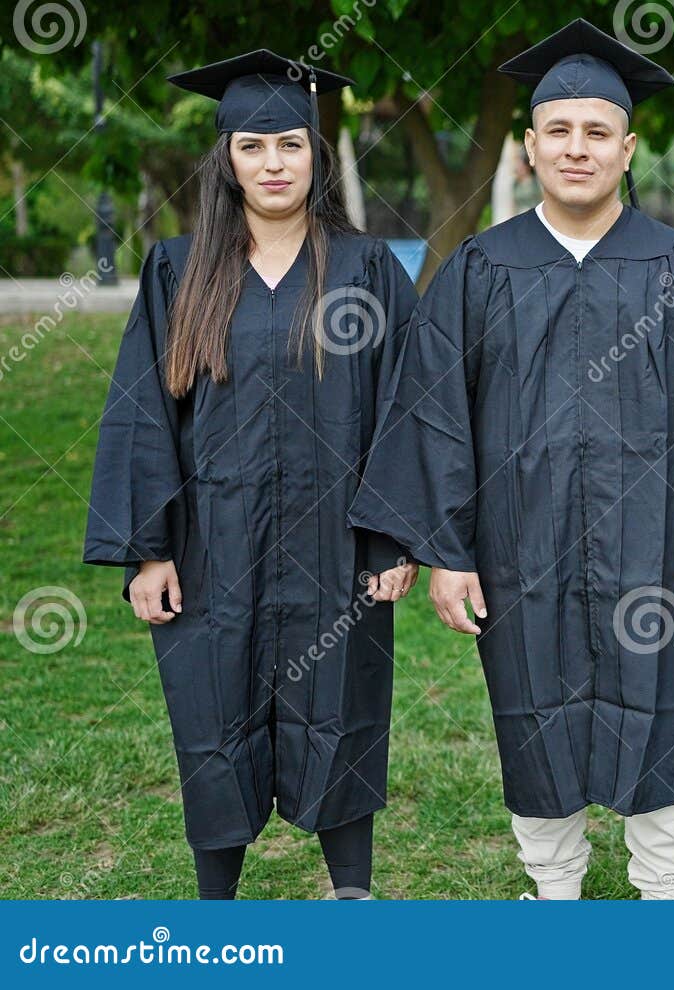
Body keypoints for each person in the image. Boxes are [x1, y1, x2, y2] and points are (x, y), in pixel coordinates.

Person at [348, 19, 674, 901]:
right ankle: (552, 889)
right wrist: (446, 552)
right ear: (528, 147)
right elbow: (437, 416)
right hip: (517, 547)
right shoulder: (480, 268)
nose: (577, 149)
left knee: (666, 709)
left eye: (597, 131)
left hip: (656, 547)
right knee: (532, 707)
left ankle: (666, 890)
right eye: (558, 131)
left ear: (628, 147)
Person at [83, 50, 419, 900]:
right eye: (253, 146)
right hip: (211, 547)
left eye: (292, 145)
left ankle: (353, 898)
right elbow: (140, 414)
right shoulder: (177, 270)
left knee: (342, 708)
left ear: (318, 154)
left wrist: (392, 538)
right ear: (226, 159)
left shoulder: (367, 270)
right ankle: (216, 911)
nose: (274, 164)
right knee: (212, 711)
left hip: (337, 543)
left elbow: (407, 409)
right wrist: (147, 549)